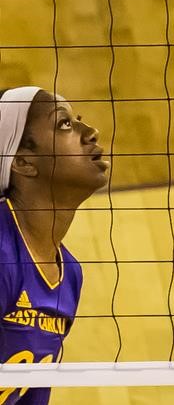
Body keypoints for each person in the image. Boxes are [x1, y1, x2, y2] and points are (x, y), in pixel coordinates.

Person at [0, 87, 109, 405]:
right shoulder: (4, 252)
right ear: (22, 161)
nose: (90, 132)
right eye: (64, 124)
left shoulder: (69, 273)